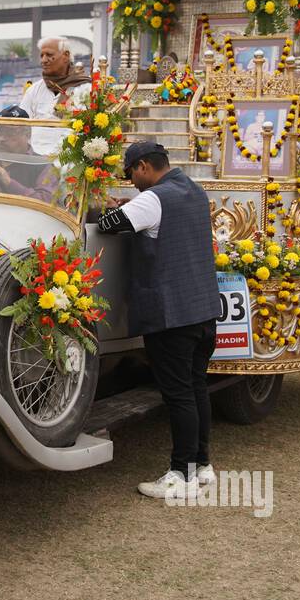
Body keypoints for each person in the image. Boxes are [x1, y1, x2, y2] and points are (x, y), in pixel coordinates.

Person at [96, 140, 221, 499]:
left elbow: (108, 225)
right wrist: (131, 205)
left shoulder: (151, 199)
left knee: (178, 394)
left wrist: (115, 208)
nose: (132, 182)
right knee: (196, 388)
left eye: (131, 174)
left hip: (171, 315)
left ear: (144, 167)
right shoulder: (193, 190)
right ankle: (202, 466)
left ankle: (181, 475)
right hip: (202, 310)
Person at [0, 106, 58, 203]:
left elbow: (47, 202)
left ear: (27, 134)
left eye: (10, 132)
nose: (1, 138)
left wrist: (10, 184)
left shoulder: (42, 165)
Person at [18, 36, 90, 119]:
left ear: (66, 55)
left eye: (49, 55)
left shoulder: (86, 88)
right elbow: (22, 124)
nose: (43, 60)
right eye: (42, 56)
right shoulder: (34, 90)